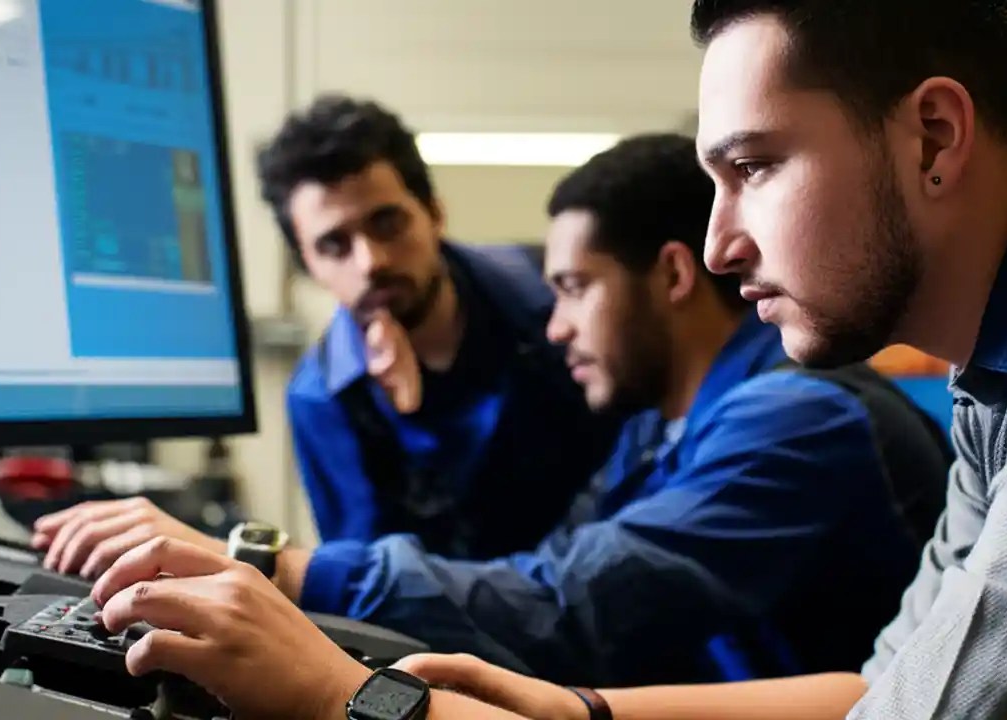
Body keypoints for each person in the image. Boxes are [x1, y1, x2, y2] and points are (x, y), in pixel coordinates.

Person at [48, 0, 1007, 713]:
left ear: (933, 134)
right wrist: (579, 712)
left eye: (754, 167)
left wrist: (341, 698)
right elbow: (883, 689)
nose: (720, 241)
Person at [39, 133, 949, 691]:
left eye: (575, 289)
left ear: (673, 276)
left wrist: (278, 568)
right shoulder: (656, 419)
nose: (555, 327)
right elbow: (551, 569)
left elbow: (573, 603)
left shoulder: (793, 421)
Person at [32, 95, 621, 573]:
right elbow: (365, 580)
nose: (370, 262)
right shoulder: (323, 400)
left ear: (434, 212)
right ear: (308, 265)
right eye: (334, 245)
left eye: (387, 223)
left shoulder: (555, 301)